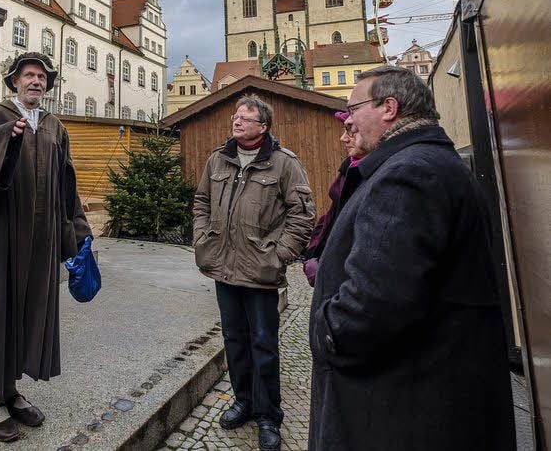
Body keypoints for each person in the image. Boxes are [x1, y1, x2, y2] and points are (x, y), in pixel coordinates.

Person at [308, 66, 515, 451]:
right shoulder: (424, 163)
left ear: (389, 107)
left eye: (352, 108)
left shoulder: (409, 174)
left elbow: (373, 305)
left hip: (402, 410)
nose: (348, 119)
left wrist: (326, 331)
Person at [0, 52, 92, 443]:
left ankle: (11, 390)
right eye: (29, 75)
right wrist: (3, 138)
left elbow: (67, 184)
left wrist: (77, 233)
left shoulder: (54, 126)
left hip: (41, 240)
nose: (36, 82)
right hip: (0, 236)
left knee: (28, 312)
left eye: (42, 77)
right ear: (14, 81)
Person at [193, 95, 315, 451]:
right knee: (234, 341)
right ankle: (243, 402)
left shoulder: (284, 163)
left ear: (263, 126)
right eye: (236, 116)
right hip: (223, 269)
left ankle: (268, 415)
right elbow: (201, 201)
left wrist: (279, 256)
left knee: (263, 344)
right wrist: (202, 238)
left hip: (261, 272)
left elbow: (302, 215)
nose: (237, 121)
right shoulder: (219, 158)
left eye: (246, 118)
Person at [302, 111, 366, 287]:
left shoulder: (375, 174)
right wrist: (312, 254)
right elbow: (330, 217)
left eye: (350, 130)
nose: (343, 138)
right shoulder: (349, 168)